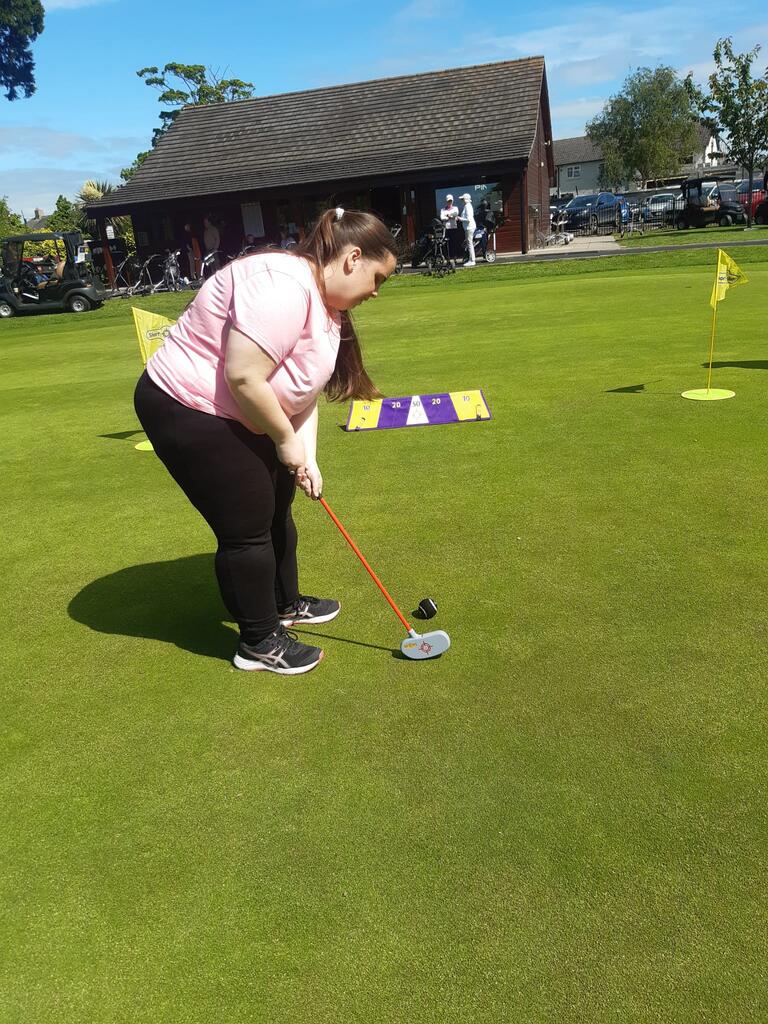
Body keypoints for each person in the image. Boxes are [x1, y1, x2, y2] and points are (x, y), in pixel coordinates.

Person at [133, 208, 399, 676]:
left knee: (277, 503)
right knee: (247, 524)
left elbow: (303, 391)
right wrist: (282, 439)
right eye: (378, 279)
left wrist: (307, 457)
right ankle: (257, 643)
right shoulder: (283, 286)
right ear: (354, 258)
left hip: (240, 407)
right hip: (186, 404)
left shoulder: (327, 306)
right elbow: (244, 376)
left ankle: (284, 603)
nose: (376, 293)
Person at [439, 194, 461, 260]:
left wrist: (449, 215)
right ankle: (448, 257)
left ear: (452, 201)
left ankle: (454, 257)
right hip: (446, 228)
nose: (450, 202)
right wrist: (449, 217)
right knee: (446, 243)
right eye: (448, 201)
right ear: (446, 201)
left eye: (451, 201)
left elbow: (456, 214)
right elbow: (442, 218)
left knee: (454, 243)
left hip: (453, 228)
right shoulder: (443, 210)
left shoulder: (455, 208)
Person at [458, 193, 476, 267]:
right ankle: (470, 259)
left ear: (466, 199)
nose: (462, 200)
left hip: (469, 227)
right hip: (469, 227)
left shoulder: (468, 207)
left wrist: (459, 218)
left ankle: (472, 260)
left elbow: (468, 219)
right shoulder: (467, 206)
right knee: (469, 244)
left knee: (469, 244)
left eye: (463, 199)